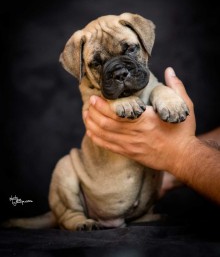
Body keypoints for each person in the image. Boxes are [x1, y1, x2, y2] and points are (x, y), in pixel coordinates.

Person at [84, 67, 220, 205]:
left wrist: (181, 152)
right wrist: (175, 163)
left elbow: (154, 88)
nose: (120, 72)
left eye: (130, 50)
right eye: (98, 63)